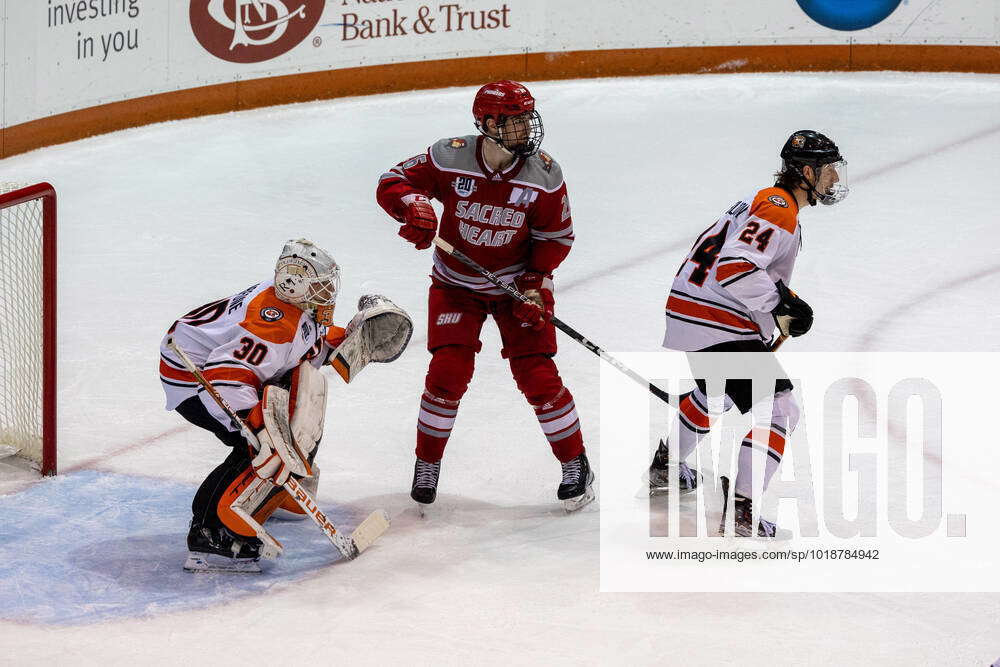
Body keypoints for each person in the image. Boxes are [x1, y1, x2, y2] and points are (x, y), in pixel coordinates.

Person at [375, 80, 594, 512]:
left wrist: (534, 283)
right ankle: (427, 463)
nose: (527, 129)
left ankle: (576, 464)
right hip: (457, 284)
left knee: (538, 377)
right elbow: (392, 180)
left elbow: (556, 237)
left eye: (529, 118)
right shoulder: (450, 155)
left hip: (519, 285)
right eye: (515, 121)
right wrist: (414, 206)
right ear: (488, 123)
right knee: (447, 373)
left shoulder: (545, 175)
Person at [159, 239, 411, 572]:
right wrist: (262, 431)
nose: (326, 293)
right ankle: (214, 534)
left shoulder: (289, 306)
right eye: (320, 286)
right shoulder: (273, 324)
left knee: (300, 404)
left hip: (219, 366)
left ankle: (274, 495)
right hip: (195, 378)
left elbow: (301, 345)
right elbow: (226, 376)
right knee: (259, 448)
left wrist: (349, 337)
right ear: (295, 283)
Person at [649, 130, 848, 536]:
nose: (835, 180)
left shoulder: (765, 202)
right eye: (829, 171)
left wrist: (783, 299)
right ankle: (741, 514)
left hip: (693, 312)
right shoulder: (779, 209)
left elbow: (740, 266)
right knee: (781, 410)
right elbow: (735, 269)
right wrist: (779, 305)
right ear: (807, 172)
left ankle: (666, 467)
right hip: (717, 319)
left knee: (714, 393)